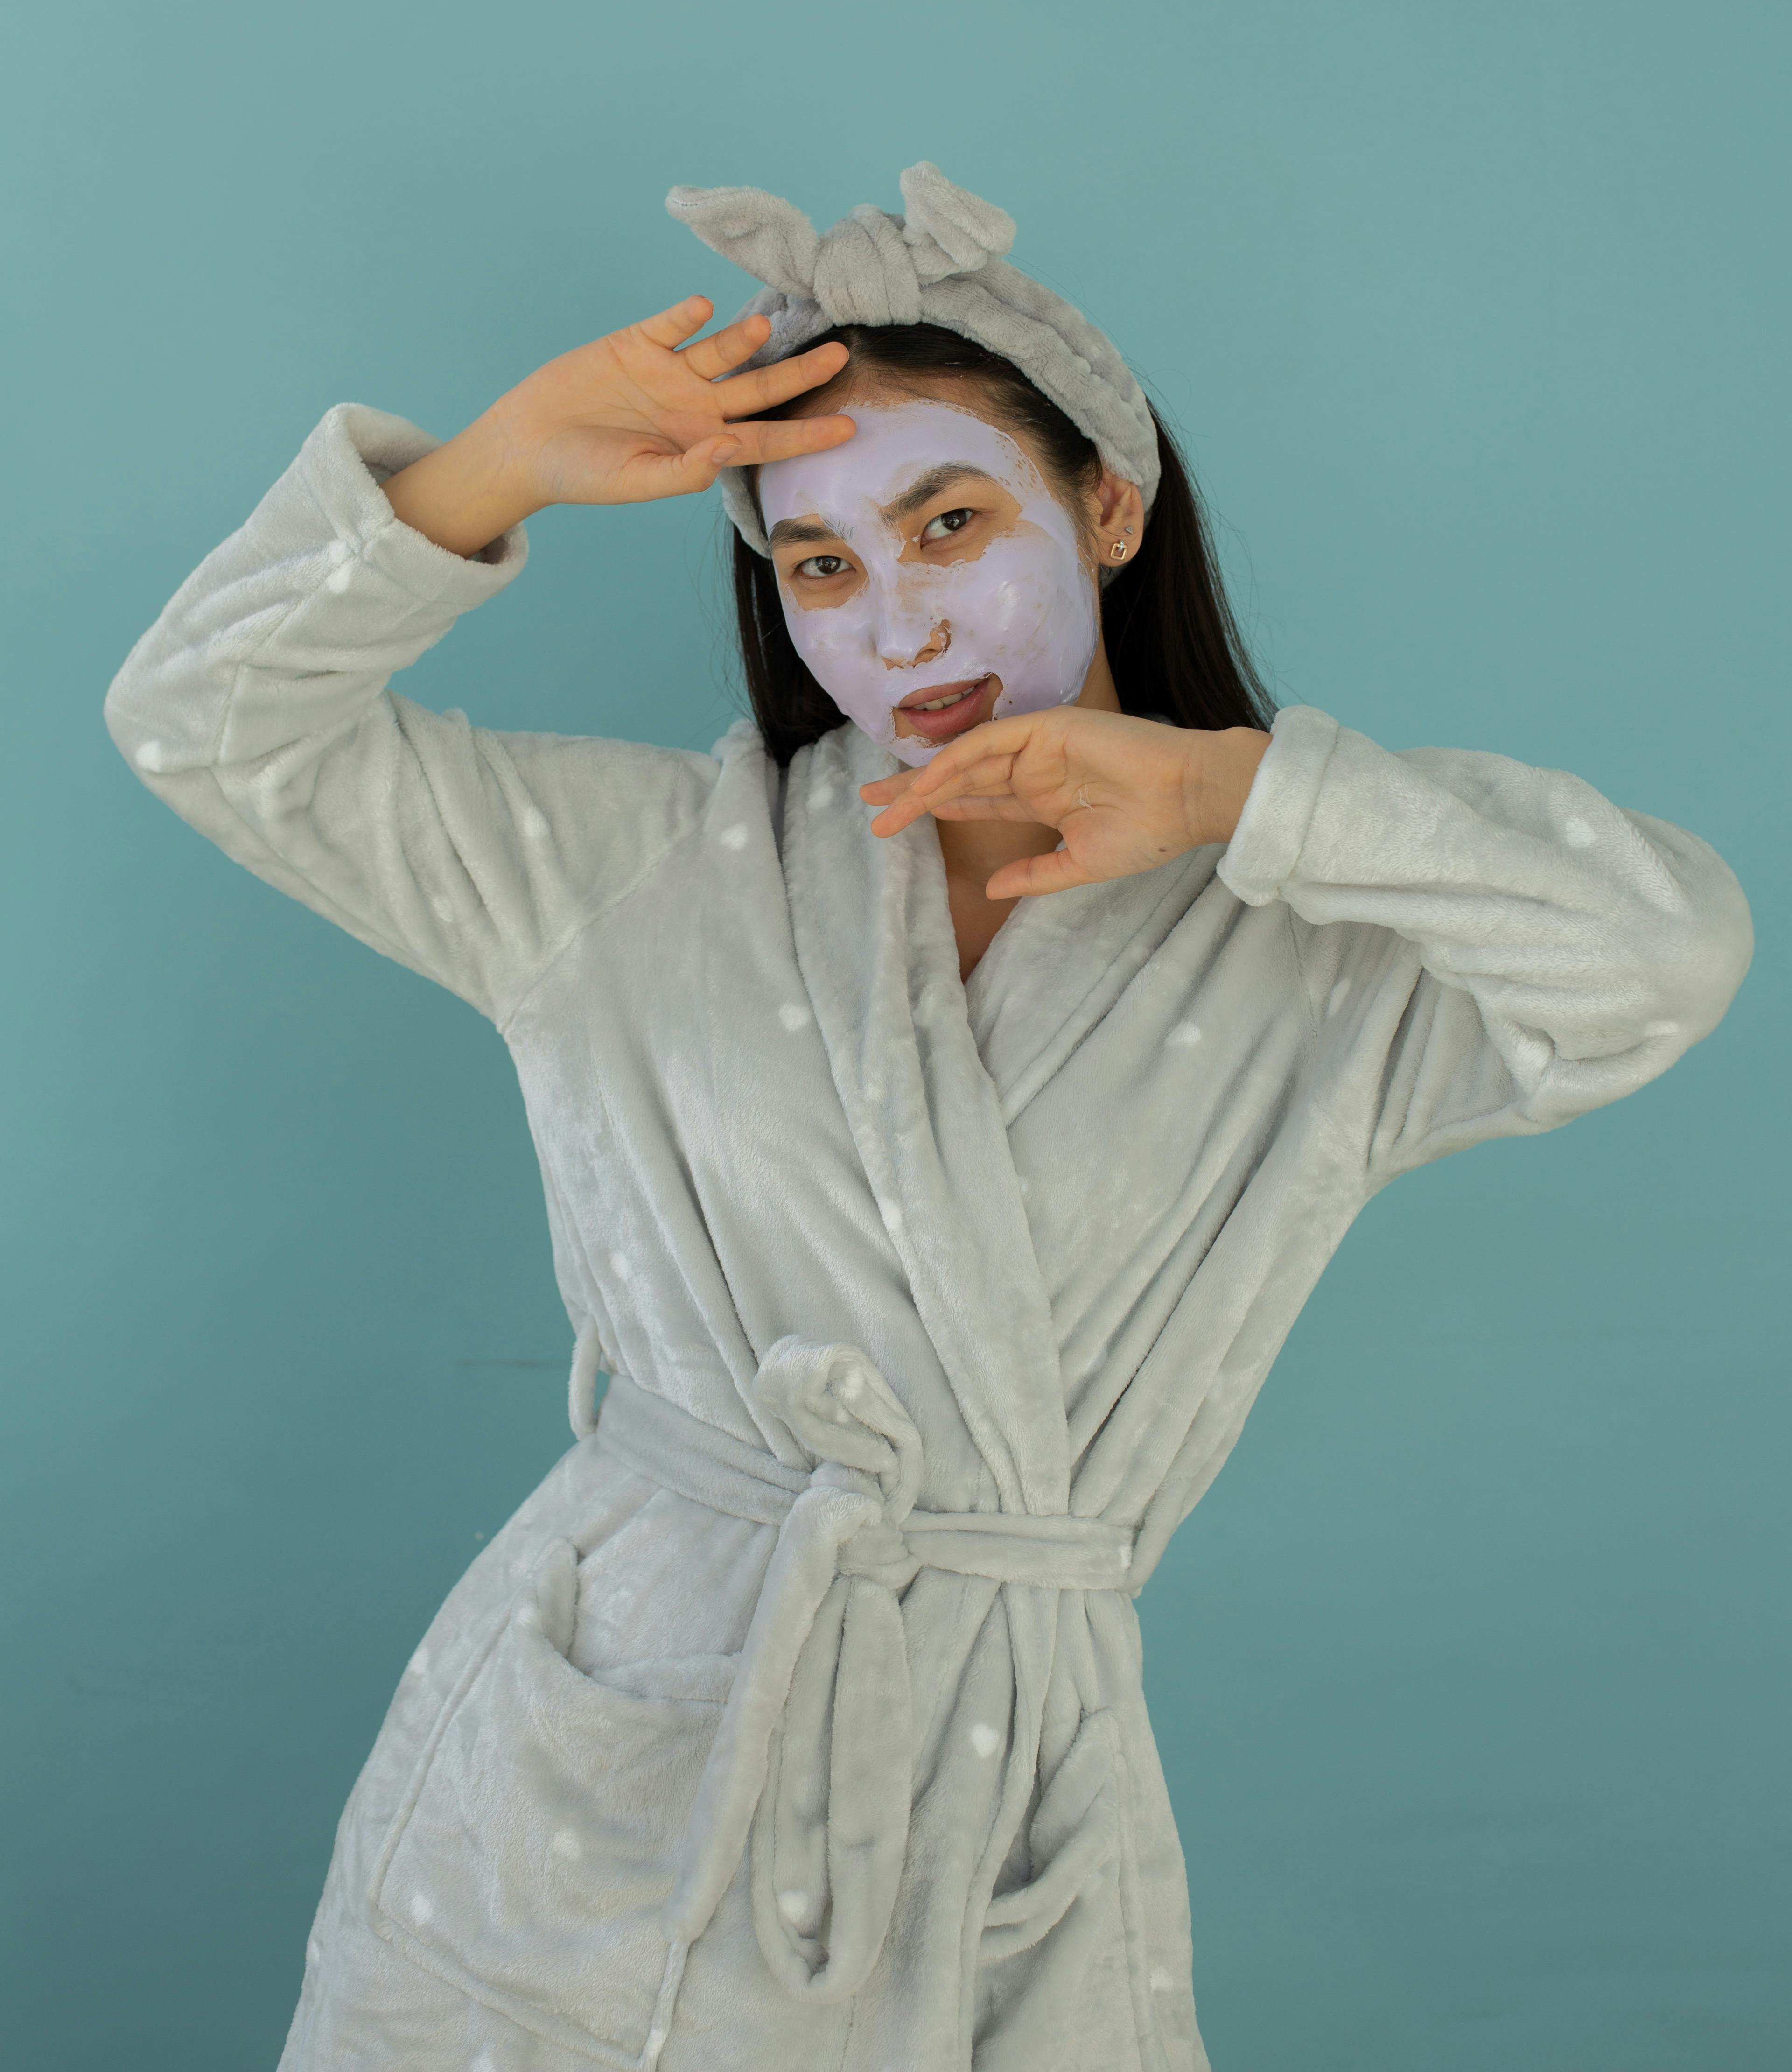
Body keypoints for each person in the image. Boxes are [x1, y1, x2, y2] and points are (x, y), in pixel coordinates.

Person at [105, 163, 1752, 2072]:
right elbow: (202, 723)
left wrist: (1248, 804)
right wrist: (500, 463)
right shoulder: (636, 869)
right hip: (591, 1772)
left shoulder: (1320, 954)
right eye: (821, 567)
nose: (897, 626)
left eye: (949, 521)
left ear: (1108, 506)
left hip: (1003, 1790)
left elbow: (1666, 956)